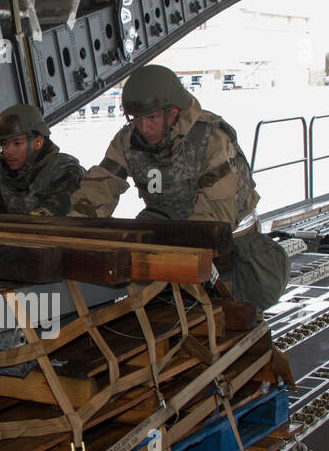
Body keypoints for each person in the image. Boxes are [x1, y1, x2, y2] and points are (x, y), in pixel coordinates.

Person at [71, 64, 286, 308]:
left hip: (231, 250)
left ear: (173, 111)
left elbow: (215, 218)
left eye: (151, 118)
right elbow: (102, 185)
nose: (144, 128)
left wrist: (162, 254)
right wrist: (75, 228)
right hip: (172, 239)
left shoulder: (211, 139)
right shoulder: (128, 141)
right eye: (136, 119)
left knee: (234, 315)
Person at [0, 104, 83, 215]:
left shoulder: (63, 170)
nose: (8, 151)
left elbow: (55, 212)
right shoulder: (2, 178)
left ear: (38, 142)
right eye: (4, 143)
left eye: (16, 143)